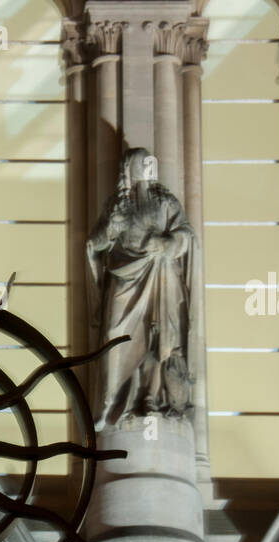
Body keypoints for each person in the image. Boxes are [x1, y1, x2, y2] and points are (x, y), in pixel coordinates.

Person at [87, 147, 196, 430]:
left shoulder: (165, 202)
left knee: (158, 337)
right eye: (140, 165)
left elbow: (185, 234)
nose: (146, 169)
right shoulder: (117, 205)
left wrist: (167, 244)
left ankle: (149, 398)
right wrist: (110, 229)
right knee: (115, 337)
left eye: (149, 164)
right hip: (124, 278)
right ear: (128, 170)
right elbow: (95, 244)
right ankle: (110, 404)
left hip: (160, 275)